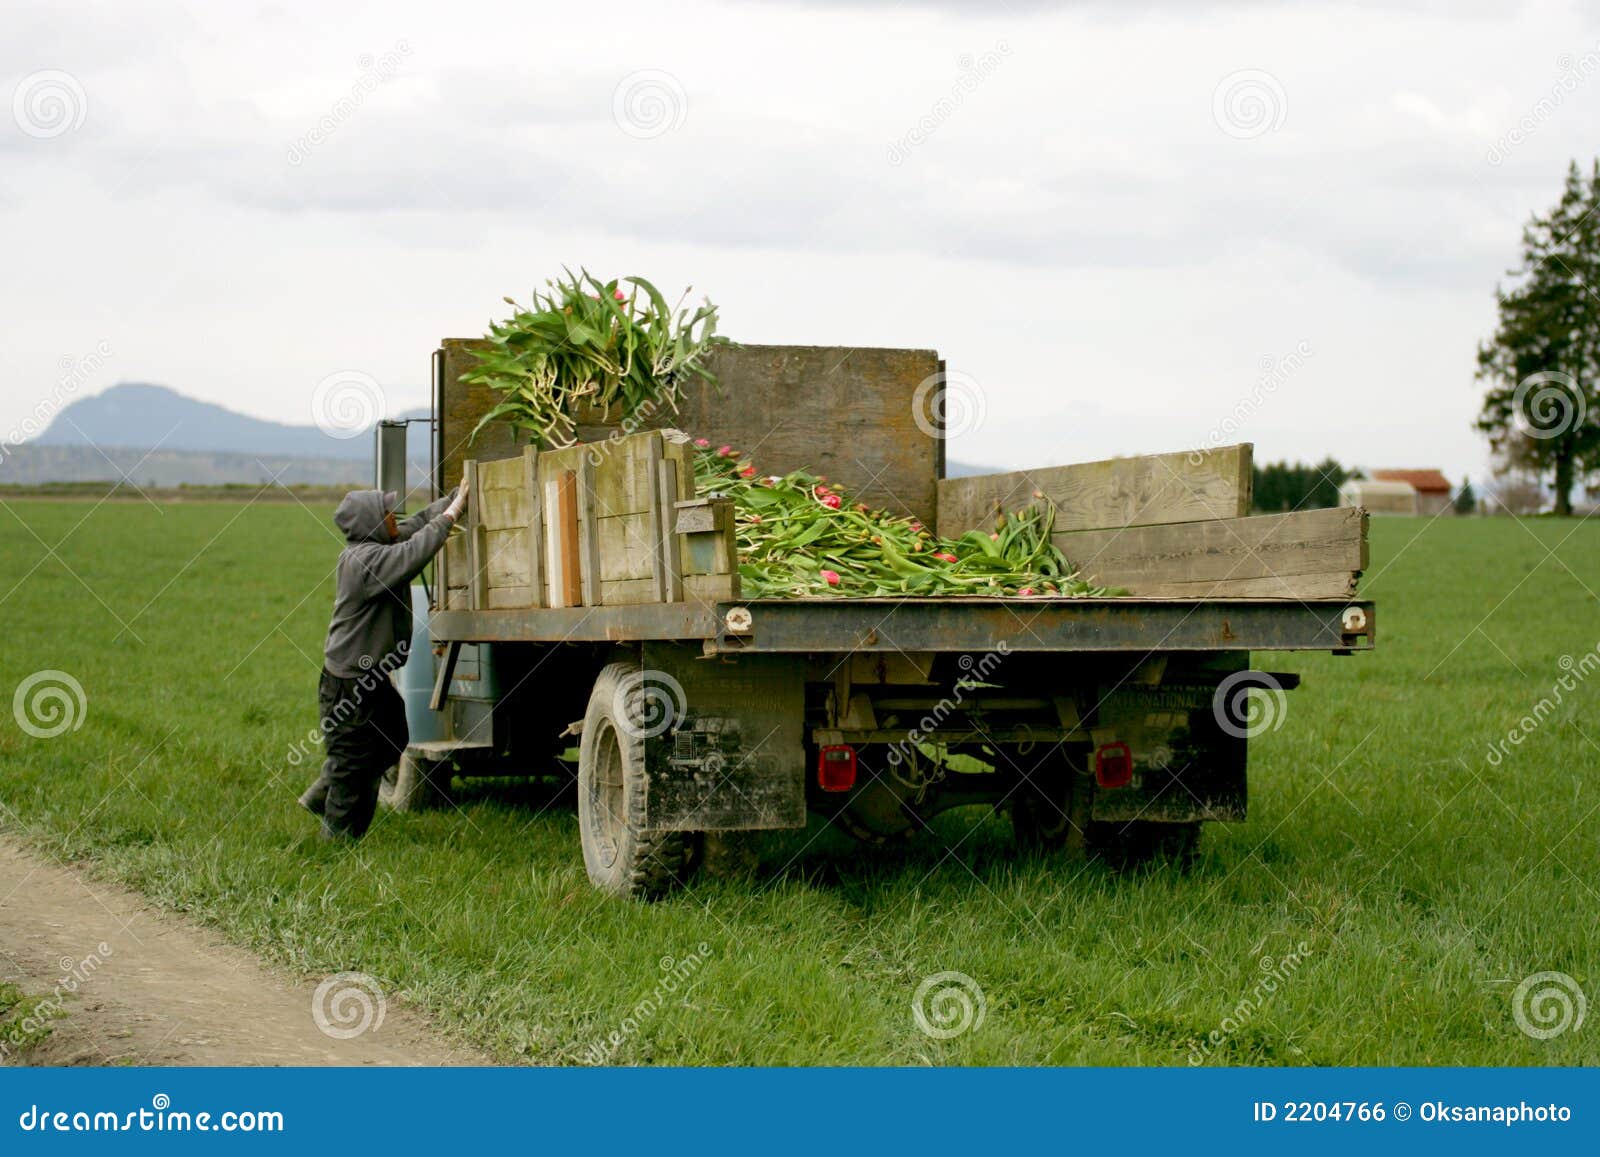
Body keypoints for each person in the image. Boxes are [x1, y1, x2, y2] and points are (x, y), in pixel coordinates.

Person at [298, 479, 468, 840]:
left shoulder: (379, 544)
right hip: (350, 685)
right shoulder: (364, 561)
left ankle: (322, 791)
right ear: (371, 522)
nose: (395, 517)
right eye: (388, 512)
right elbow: (414, 552)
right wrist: (452, 516)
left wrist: (455, 497)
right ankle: (337, 845)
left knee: (393, 735)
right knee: (355, 765)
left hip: (370, 678)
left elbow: (418, 524)